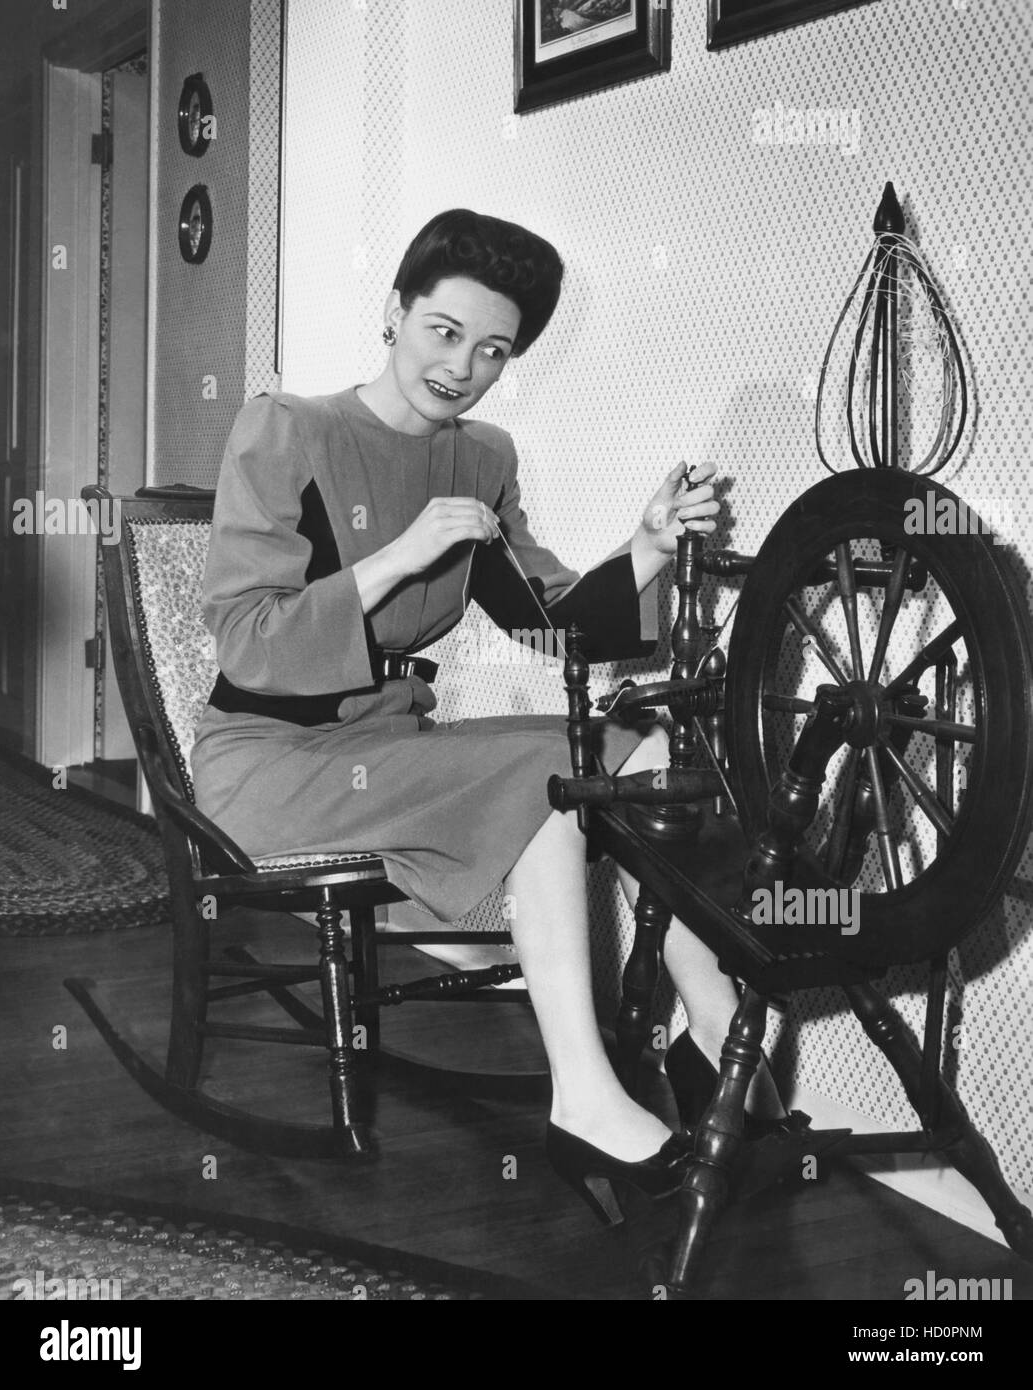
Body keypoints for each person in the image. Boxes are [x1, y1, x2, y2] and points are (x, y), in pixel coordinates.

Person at [191, 208, 782, 1225]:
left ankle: (711, 1020)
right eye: (443, 331)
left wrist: (642, 544)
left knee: (628, 746)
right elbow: (247, 640)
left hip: (387, 747)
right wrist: (399, 556)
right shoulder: (286, 427)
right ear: (395, 313)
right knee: (546, 777)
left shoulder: (484, 457)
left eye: (492, 350)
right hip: (270, 762)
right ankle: (587, 1096)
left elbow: (551, 627)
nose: (461, 366)